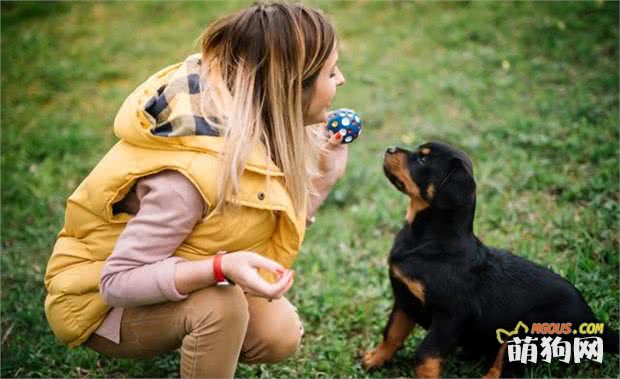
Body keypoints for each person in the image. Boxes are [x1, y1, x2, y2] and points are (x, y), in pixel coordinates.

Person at [43, 2, 347, 378]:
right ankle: (202, 328)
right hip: (97, 304)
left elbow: (251, 230)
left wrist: (322, 180)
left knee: (277, 333)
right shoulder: (190, 176)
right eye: (331, 72)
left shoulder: (249, 132)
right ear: (289, 87)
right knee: (221, 306)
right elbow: (115, 282)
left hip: (170, 277)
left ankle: (202, 335)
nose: (342, 80)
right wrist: (219, 268)